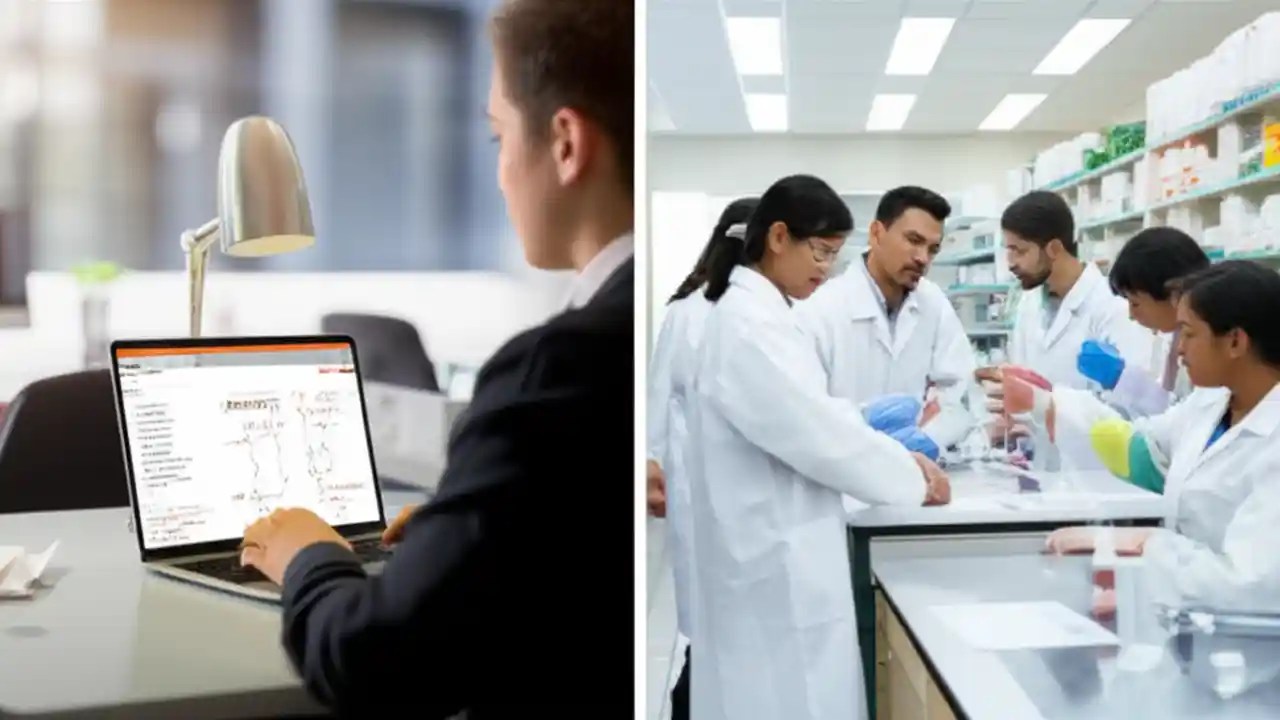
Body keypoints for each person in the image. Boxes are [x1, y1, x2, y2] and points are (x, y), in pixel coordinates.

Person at [235, 1, 634, 715]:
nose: (502, 172)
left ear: (566, 144)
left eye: (498, 136)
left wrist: (308, 556)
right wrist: (472, 530)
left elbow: (374, 661)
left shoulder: (562, 364)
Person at [686, 174, 951, 720]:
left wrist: (864, 428)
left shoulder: (763, 315)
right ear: (778, 237)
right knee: (788, 698)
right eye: (821, 252)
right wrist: (912, 478)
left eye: (834, 255)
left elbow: (814, 415)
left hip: (775, 549)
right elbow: (821, 438)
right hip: (772, 563)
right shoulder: (748, 326)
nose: (826, 268)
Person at [1045, 261, 1280, 614]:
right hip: (1195, 619)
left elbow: (1249, 584)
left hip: (1251, 637)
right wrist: (1049, 404)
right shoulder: (1211, 403)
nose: (1179, 349)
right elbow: (1140, 443)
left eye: (1188, 333)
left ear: (1235, 341)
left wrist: (1147, 545)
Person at [647, 197, 759, 720]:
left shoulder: (778, 314)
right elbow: (658, 403)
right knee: (713, 634)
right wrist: (651, 465)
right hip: (703, 494)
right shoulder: (688, 312)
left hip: (752, 498)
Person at [1002, 228, 1214, 488]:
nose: (1131, 315)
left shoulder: (1207, 348)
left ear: (1173, 294)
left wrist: (1115, 383)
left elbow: (1180, 421)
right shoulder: (1170, 338)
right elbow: (1170, 413)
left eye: (1136, 303)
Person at [795, 185, 975, 459]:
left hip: (916, 469)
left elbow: (958, 392)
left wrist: (928, 438)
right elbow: (806, 413)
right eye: (913, 240)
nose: (922, 258)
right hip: (843, 470)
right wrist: (866, 439)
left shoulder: (933, 303)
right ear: (876, 233)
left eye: (932, 249)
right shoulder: (821, 309)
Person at [988, 190, 1150, 470]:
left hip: (1097, 472)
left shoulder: (1112, 307)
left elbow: (1132, 410)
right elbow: (1024, 383)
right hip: (1042, 468)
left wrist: (1052, 409)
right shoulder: (1029, 303)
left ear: (1053, 249)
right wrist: (1014, 420)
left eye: (1020, 250)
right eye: (1008, 250)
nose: (1011, 262)